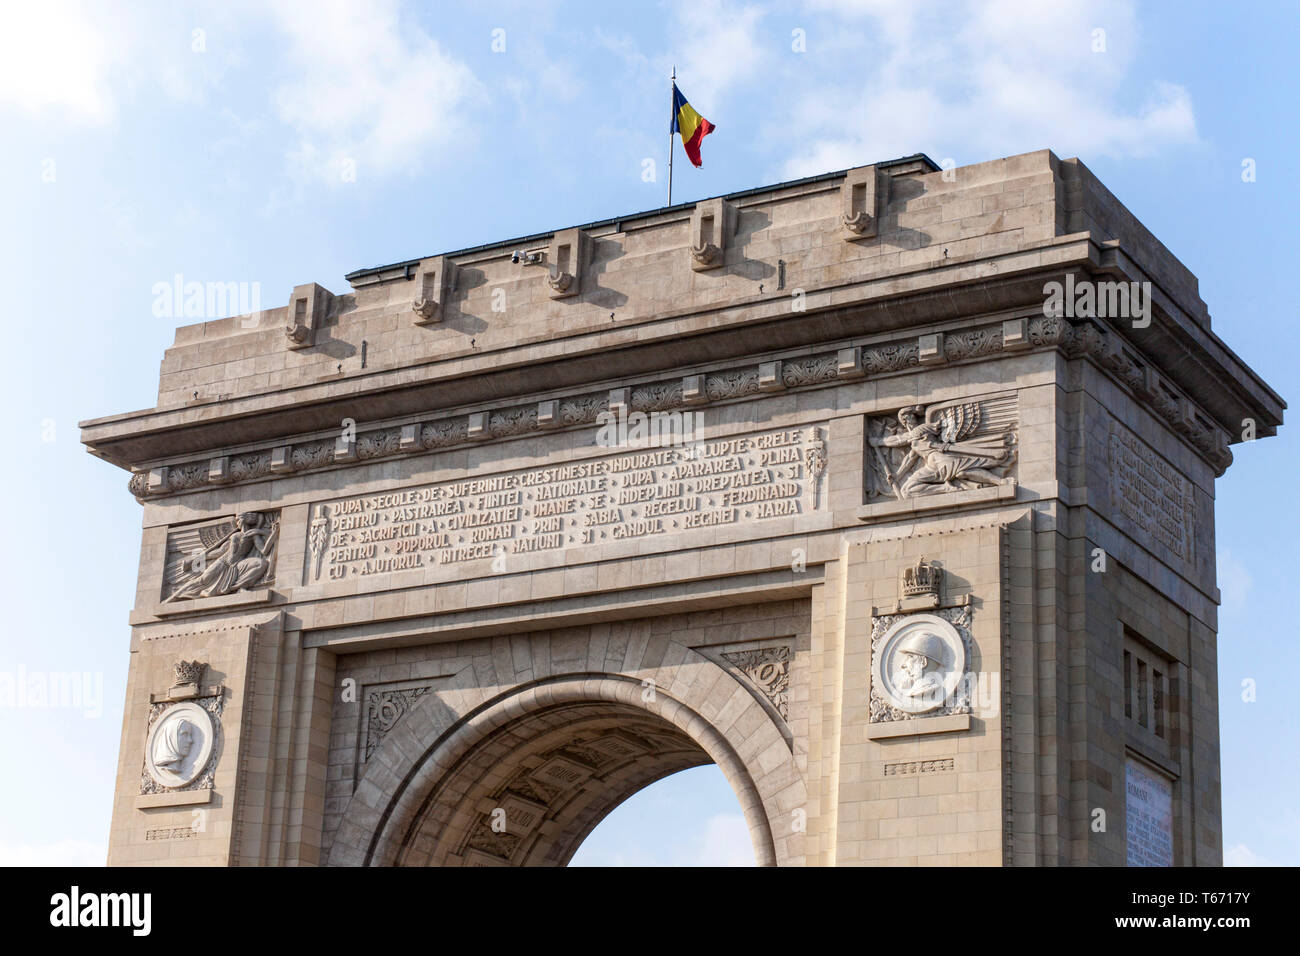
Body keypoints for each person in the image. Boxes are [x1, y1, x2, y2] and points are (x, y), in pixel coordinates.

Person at [166, 512, 277, 601]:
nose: (237, 522)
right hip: (223, 563)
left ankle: (240, 587)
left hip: (237, 564)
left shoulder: (253, 534)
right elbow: (221, 551)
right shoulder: (235, 535)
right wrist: (198, 559)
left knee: (261, 564)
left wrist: (269, 534)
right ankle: (173, 597)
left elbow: (264, 550)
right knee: (201, 581)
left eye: (239, 519)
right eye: (237, 520)